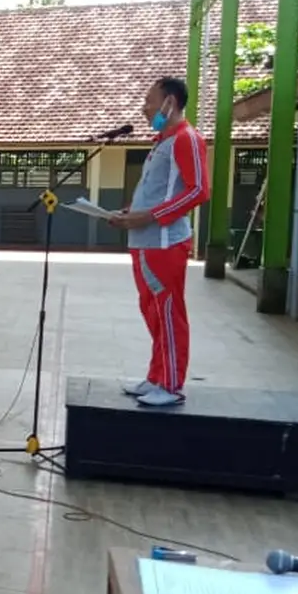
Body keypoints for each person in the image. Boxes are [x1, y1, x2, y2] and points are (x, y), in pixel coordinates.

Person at [108, 77, 211, 408]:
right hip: (143, 242)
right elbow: (159, 191)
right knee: (151, 311)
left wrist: (150, 216)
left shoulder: (187, 139)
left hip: (165, 243)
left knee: (168, 313)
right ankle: (156, 375)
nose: (144, 108)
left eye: (149, 101)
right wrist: (131, 212)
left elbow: (198, 191)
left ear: (169, 102)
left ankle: (171, 383)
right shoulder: (161, 142)